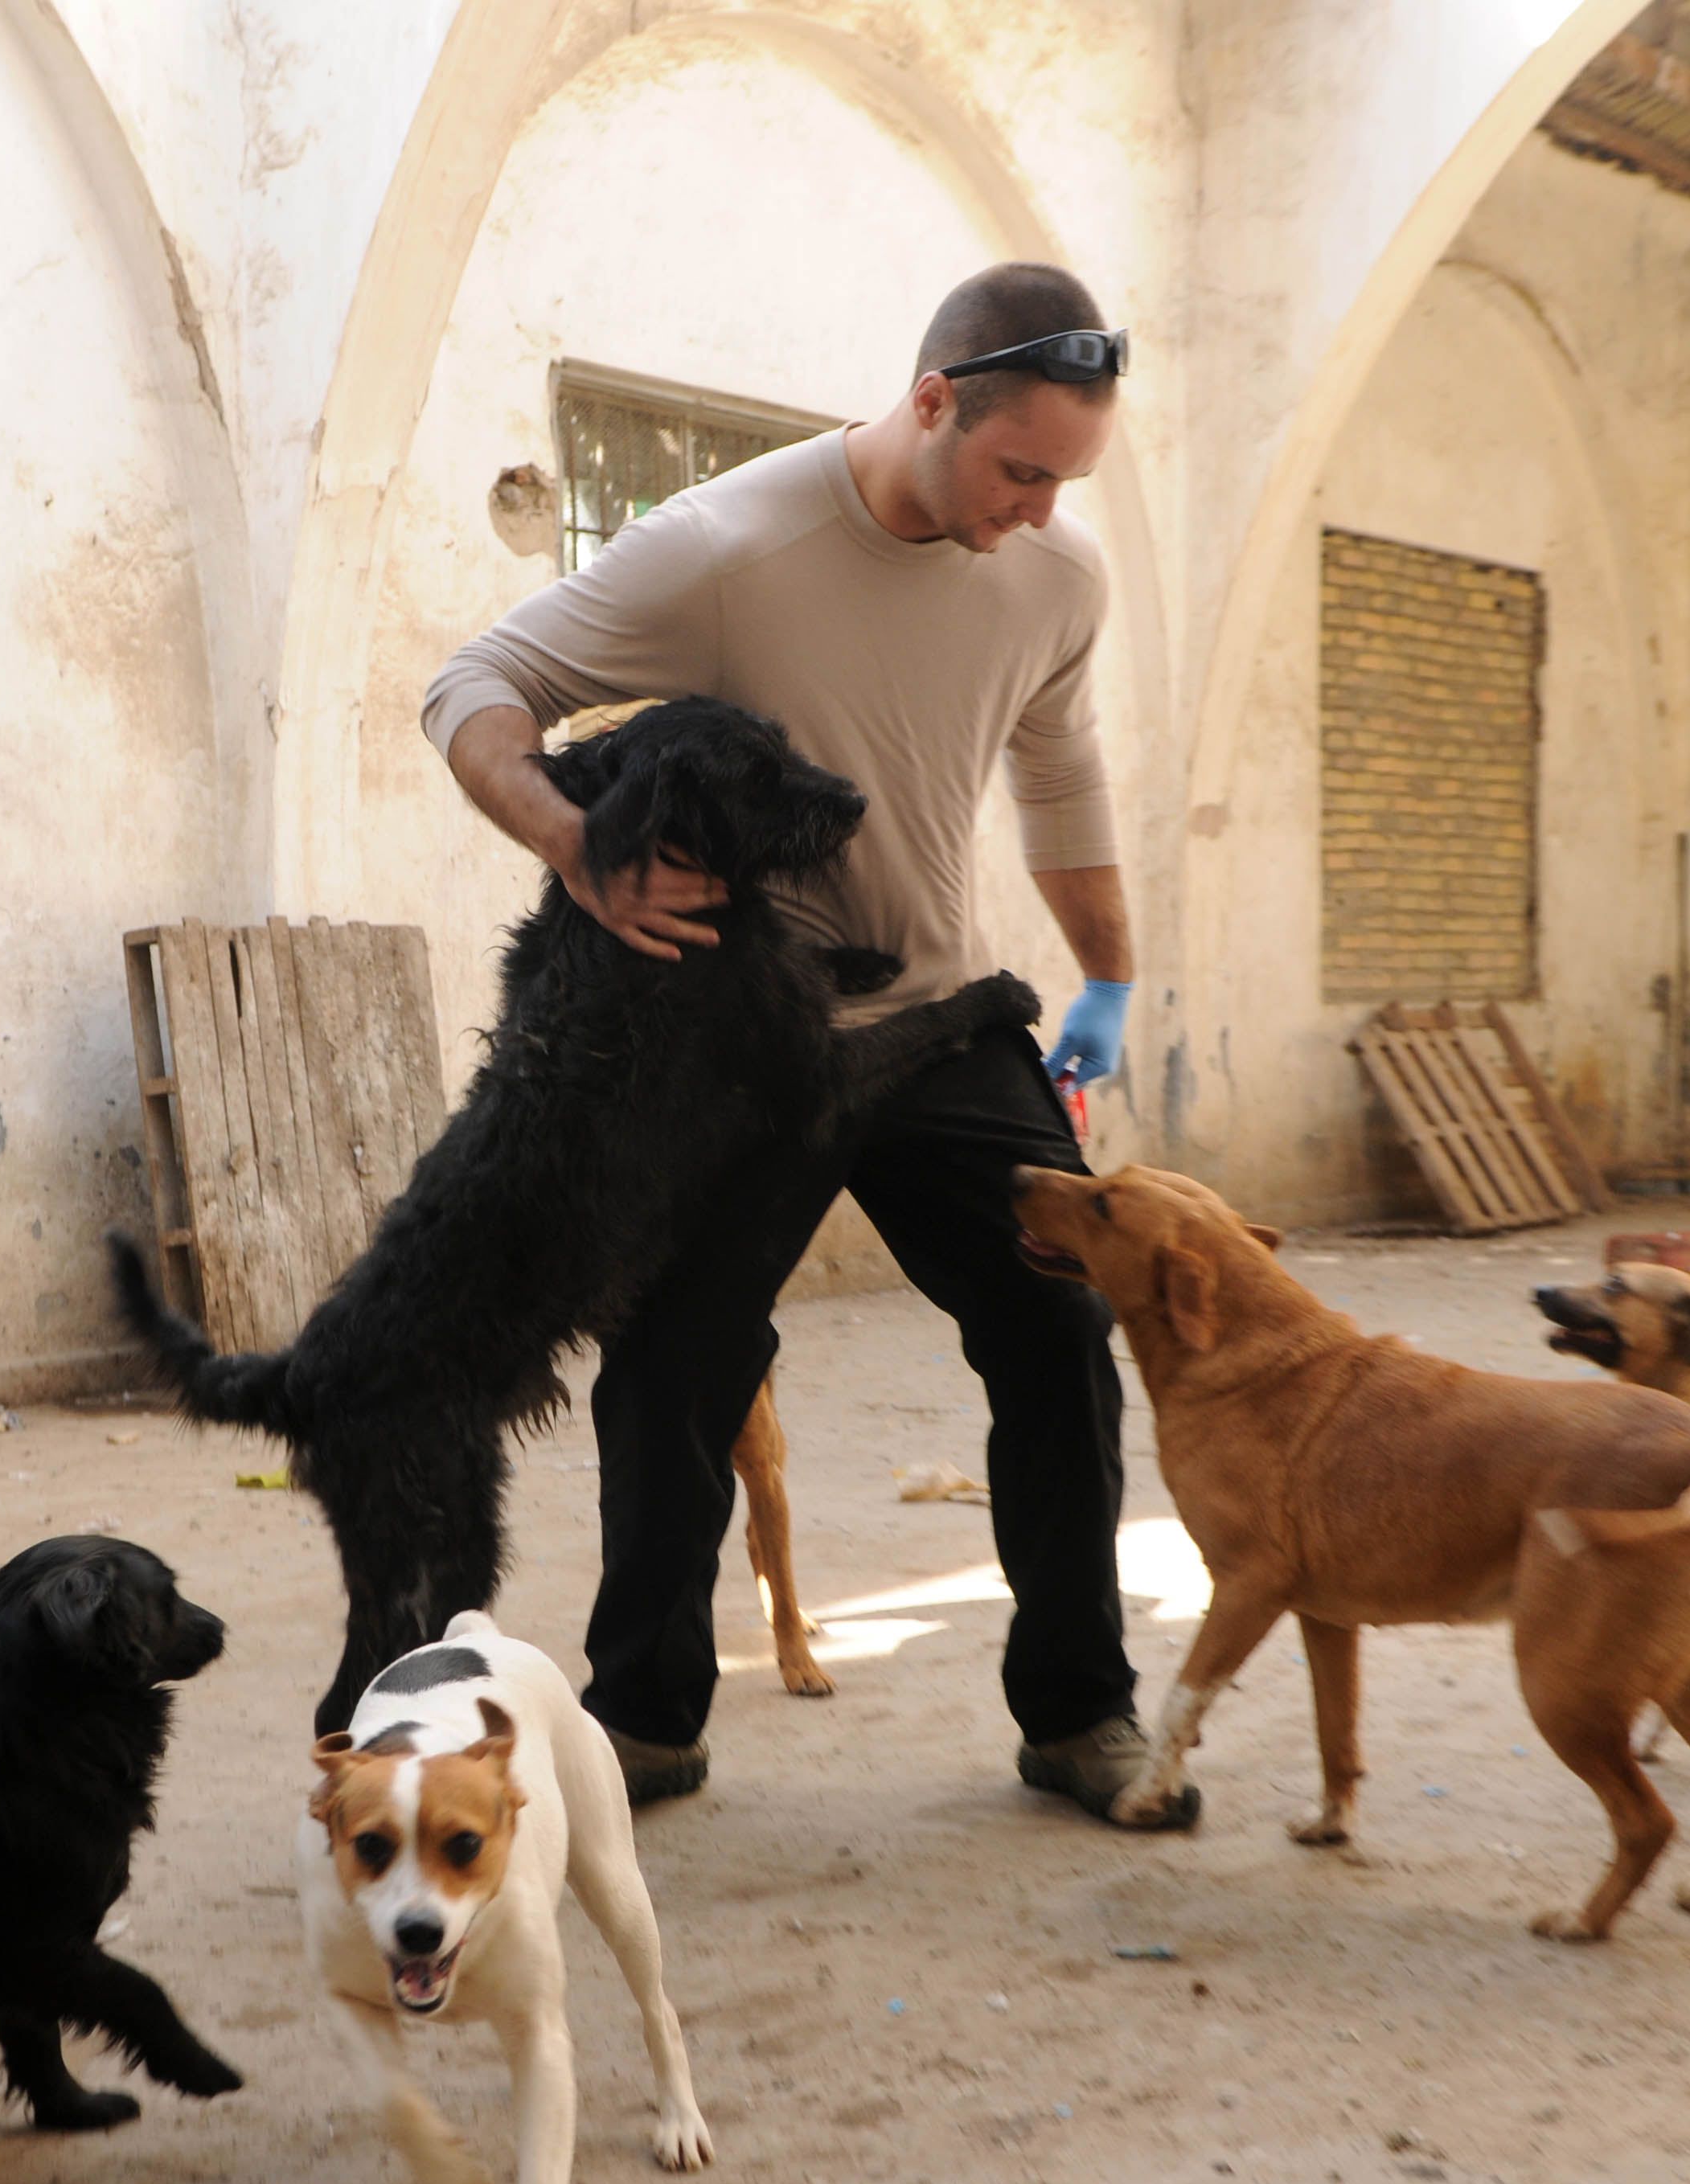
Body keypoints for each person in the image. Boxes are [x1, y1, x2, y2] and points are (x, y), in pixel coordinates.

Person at [420, 262, 1196, 1830]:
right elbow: (474, 687)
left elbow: (1059, 779)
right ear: (929, 403)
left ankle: (1077, 1716)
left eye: (1066, 478)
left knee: (1059, 1335)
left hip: (939, 1020)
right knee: (669, 1376)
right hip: (733, 1041)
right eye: (1017, 468)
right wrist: (575, 845)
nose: (1039, 511)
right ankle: (642, 1718)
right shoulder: (724, 548)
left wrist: (1106, 983)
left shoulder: (1054, 578)